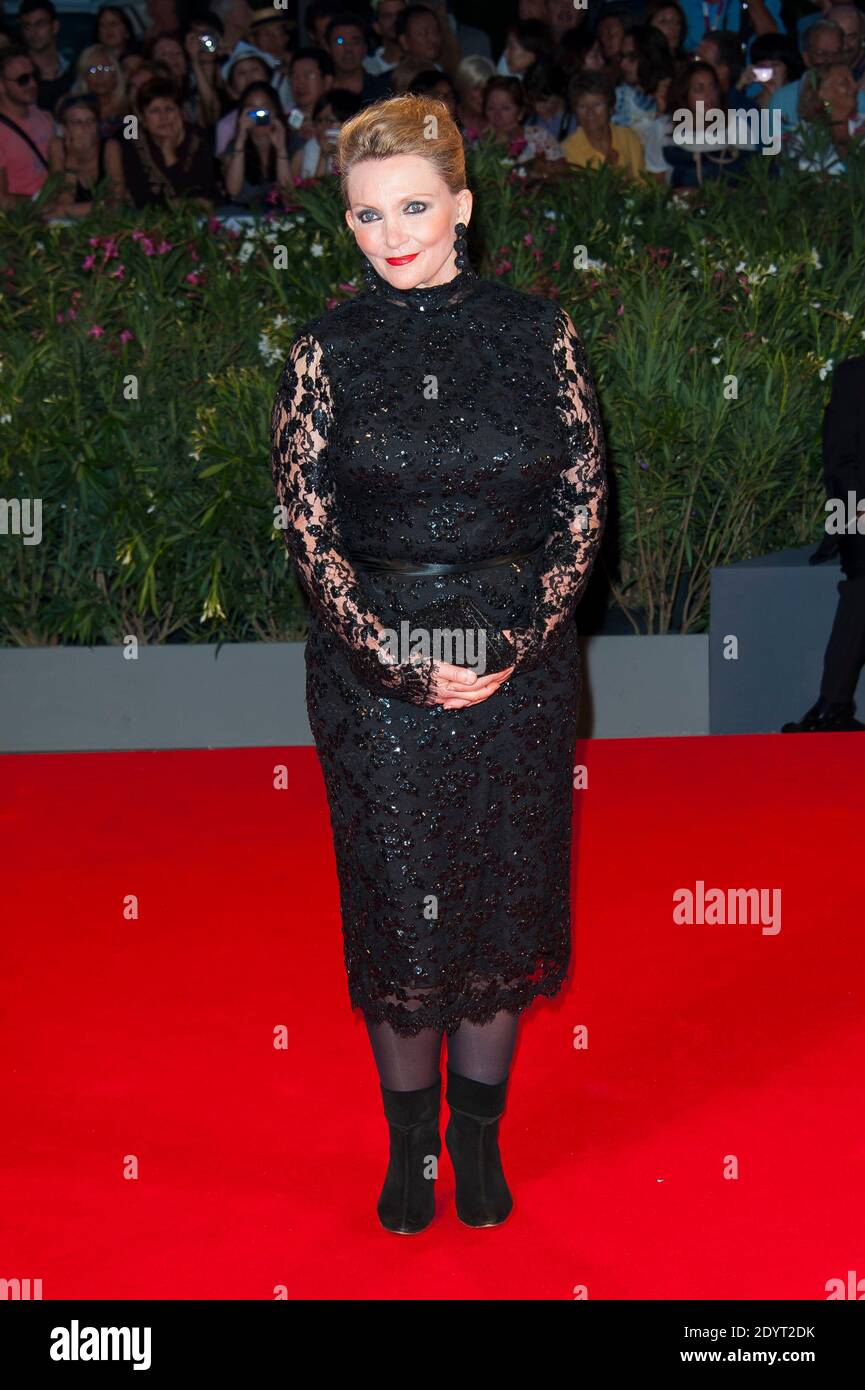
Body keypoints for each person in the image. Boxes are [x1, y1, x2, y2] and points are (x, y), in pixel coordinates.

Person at [269, 91, 607, 1235]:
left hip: (519, 658)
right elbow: (309, 537)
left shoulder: (536, 330)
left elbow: (580, 508)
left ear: (462, 204)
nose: (391, 233)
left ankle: (477, 1135)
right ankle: (410, 1147)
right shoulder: (326, 352)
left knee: (503, 914)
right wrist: (402, 665)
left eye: (413, 205)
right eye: (366, 216)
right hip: (377, 678)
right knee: (404, 928)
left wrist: (513, 642)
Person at [783, 359, 865, 734]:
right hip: (860, 516)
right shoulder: (855, 374)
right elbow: (839, 457)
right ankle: (832, 706)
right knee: (861, 597)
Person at [114, 76, 220, 208]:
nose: (163, 117)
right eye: (155, 111)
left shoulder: (198, 139)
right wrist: (188, 203)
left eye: (169, 109)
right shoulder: (132, 144)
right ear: (142, 118)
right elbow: (143, 202)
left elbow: (207, 198)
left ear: (180, 112)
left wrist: (170, 156)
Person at [44, 91, 123, 216]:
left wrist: (67, 210)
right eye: (77, 122)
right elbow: (63, 199)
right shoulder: (57, 146)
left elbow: (116, 202)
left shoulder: (110, 147)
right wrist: (72, 159)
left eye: (91, 121)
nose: (85, 127)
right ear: (65, 129)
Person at [561, 69, 647, 177]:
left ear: (610, 107)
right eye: (582, 106)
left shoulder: (627, 137)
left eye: (597, 105)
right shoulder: (567, 151)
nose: (590, 113)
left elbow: (642, 184)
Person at [221, 79, 291, 206]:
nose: (260, 116)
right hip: (242, 218)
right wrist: (240, 141)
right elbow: (233, 191)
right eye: (253, 111)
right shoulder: (234, 148)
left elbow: (289, 196)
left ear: (276, 110)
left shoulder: (292, 144)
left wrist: (281, 150)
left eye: (265, 109)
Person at [0, 45, 53, 208]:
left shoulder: (42, 115)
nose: (32, 84)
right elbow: (2, 200)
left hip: (57, 210)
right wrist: (40, 206)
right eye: (23, 79)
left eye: (34, 76)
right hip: (24, 224)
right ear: (1, 85)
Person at [791, 59, 865, 172]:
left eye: (853, 80)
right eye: (844, 83)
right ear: (821, 93)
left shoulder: (861, 124)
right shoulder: (805, 135)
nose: (855, 87)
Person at [290, 86, 361, 178]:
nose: (322, 127)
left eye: (330, 121)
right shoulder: (307, 151)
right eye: (319, 121)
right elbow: (318, 190)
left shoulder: (361, 154)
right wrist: (324, 155)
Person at [18, 0, 75, 116]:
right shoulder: (17, 75)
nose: (33, 32)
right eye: (27, 26)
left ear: (55, 27)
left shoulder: (75, 71)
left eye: (39, 24)